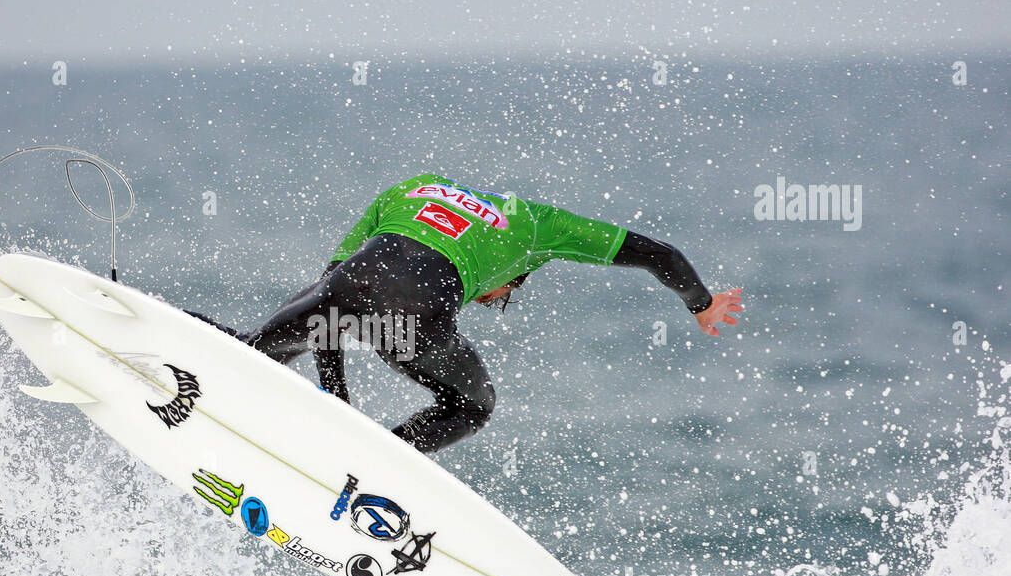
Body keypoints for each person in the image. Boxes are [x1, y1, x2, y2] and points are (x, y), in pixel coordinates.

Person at [193, 173, 742, 454]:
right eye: (504, 294)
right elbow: (660, 255)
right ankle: (387, 458)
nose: (493, 297)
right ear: (520, 271)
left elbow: (334, 299)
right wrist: (702, 304)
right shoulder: (538, 228)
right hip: (415, 321)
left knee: (258, 352)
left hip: (339, 297)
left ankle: (195, 347)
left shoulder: (410, 187)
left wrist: (336, 396)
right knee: (472, 404)